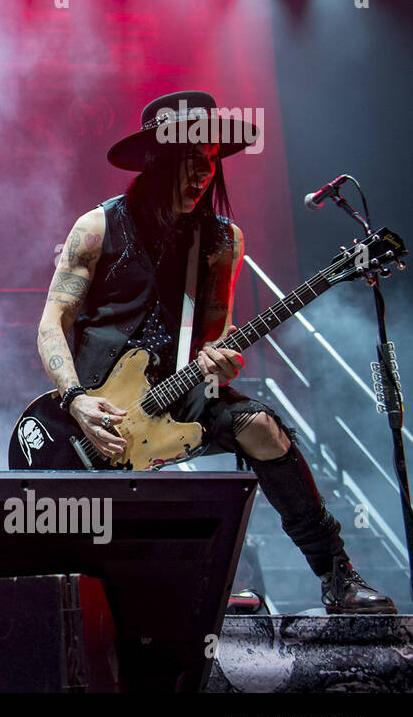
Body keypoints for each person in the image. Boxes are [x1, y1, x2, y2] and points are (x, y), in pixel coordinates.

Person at [34, 90, 394, 613]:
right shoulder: (98, 227)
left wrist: (221, 364)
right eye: (183, 162)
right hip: (100, 408)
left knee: (264, 429)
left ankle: (337, 577)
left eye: (205, 162)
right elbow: (52, 321)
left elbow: (214, 337)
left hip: (178, 395)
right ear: (154, 163)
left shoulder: (224, 241)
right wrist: (74, 399)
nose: (197, 176)